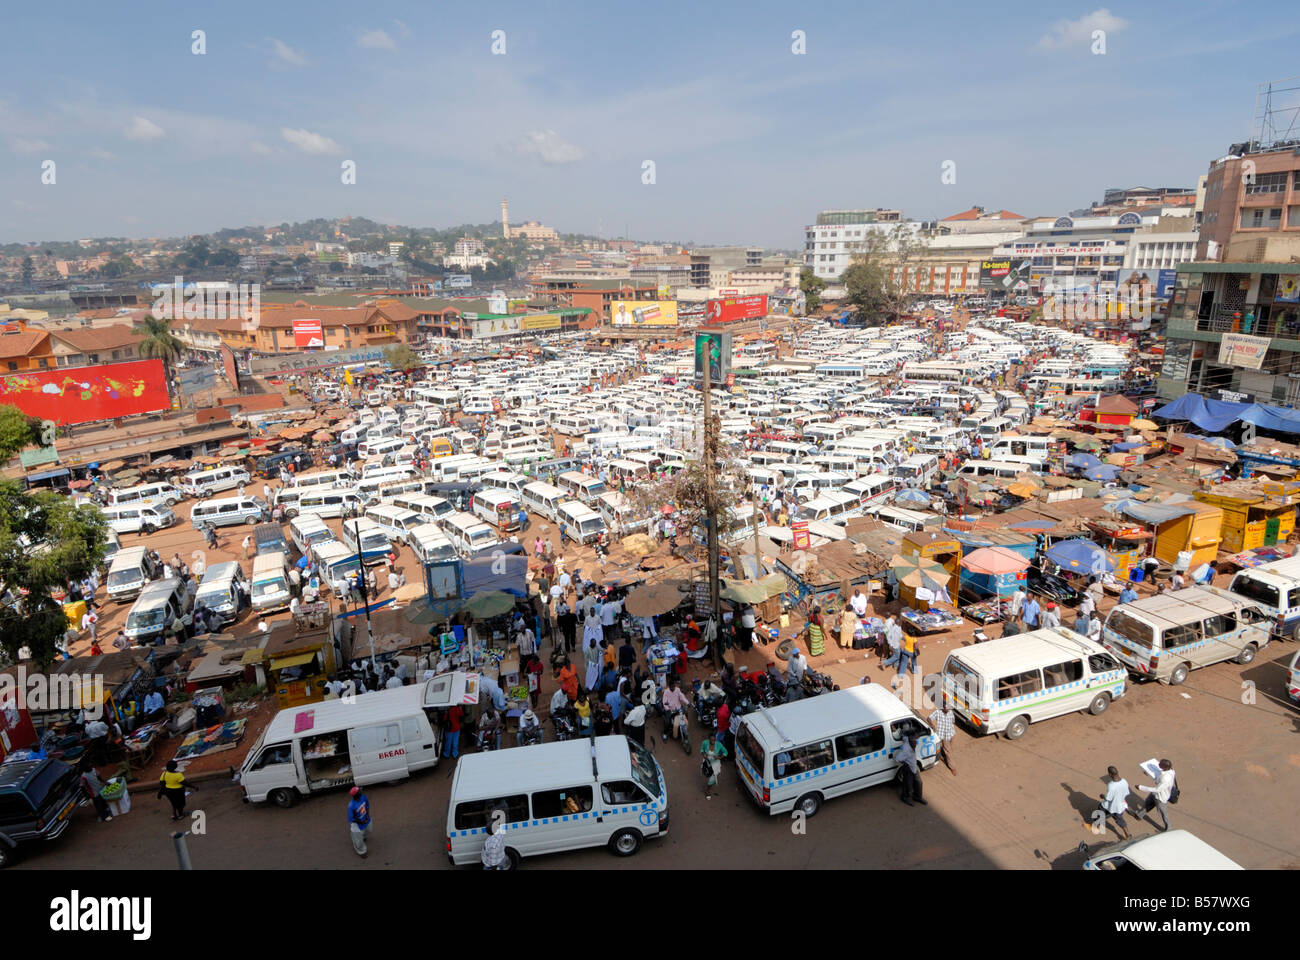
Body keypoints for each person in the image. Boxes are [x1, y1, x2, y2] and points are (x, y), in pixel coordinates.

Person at [1138, 758, 1176, 832]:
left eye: (1160, 764)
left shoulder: (1166, 778)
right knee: (1148, 803)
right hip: (1156, 794)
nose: (1158, 764)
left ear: (1165, 767)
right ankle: (1139, 815)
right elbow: (1158, 780)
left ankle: (1169, 828)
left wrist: (1140, 787)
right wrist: (1148, 774)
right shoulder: (1169, 771)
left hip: (1160, 797)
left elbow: (1157, 789)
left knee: (1163, 813)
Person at [1095, 765, 1133, 840]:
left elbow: (1108, 798)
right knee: (1120, 819)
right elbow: (1126, 792)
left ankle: (1098, 825)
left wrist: (1102, 796)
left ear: (1110, 774)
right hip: (1120, 806)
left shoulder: (1111, 785)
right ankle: (1128, 834)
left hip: (1110, 806)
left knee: (1100, 810)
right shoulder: (1124, 781)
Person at [896, 734, 926, 806]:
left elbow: (905, 737)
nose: (915, 744)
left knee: (919, 782)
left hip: (914, 767)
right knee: (908, 785)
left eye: (915, 742)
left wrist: (917, 736)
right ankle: (905, 797)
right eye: (914, 742)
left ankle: (917, 797)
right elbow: (897, 758)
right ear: (910, 742)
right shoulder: (906, 750)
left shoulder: (908, 740)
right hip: (908, 768)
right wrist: (905, 763)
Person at [928, 698, 956, 773]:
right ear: (942, 707)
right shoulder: (938, 712)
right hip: (942, 735)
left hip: (951, 734)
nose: (947, 709)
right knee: (948, 751)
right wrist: (932, 725)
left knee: (948, 749)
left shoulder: (951, 713)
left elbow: (953, 721)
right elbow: (929, 718)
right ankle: (952, 767)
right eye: (946, 708)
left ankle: (943, 754)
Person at [700, 730, 728, 799]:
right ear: (708, 739)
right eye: (711, 740)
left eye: (714, 740)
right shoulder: (704, 743)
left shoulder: (719, 744)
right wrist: (704, 755)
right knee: (707, 773)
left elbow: (725, 752)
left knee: (713, 777)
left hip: (715, 763)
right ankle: (709, 780)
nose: (713, 741)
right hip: (707, 761)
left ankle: (707, 790)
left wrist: (719, 757)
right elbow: (702, 750)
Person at [481, 806, 509, 870]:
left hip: (491, 866)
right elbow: (502, 823)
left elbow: (493, 862)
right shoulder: (500, 833)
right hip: (501, 858)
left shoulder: (492, 844)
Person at [347, 786, 372, 858]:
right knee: (358, 840)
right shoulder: (351, 806)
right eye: (359, 791)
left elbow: (367, 805)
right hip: (356, 824)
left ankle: (362, 836)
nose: (361, 791)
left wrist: (367, 815)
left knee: (369, 829)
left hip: (365, 819)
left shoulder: (363, 797)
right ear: (356, 795)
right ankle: (361, 851)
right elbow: (351, 819)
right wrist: (361, 822)